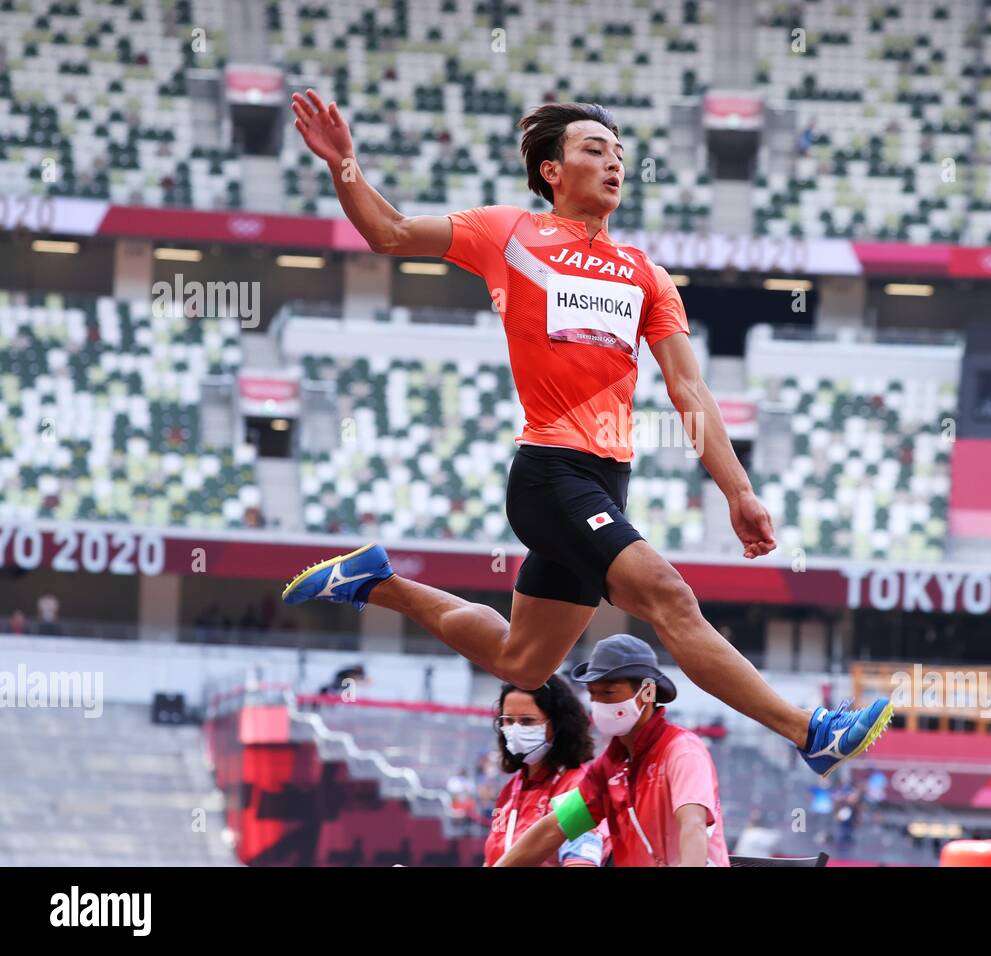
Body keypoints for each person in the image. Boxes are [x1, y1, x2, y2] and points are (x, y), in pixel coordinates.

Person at [281, 93, 893, 776]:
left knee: (523, 660)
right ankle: (810, 730)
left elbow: (689, 391)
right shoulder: (508, 233)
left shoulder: (646, 274)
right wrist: (345, 166)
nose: (612, 165)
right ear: (551, 170)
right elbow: (390, 233)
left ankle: (378, 583)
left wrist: (739, 491)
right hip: (550, 474)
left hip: (607, 481)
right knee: (669, 597)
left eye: (620, 155)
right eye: (593, 151)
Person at [494, 635, 728, 867]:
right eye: (593, 694)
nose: (599, 704)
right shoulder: (608, 769)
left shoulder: (682, 751)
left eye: (608, 693)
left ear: (647, 692)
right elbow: (553, 829)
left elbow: (693, 825)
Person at [483, 675, 605, 867]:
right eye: (508, 721)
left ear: (558, 725)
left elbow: (582, 863)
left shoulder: (579, 788)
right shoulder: (510, 790)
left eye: (527, 721)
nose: (515, 730)